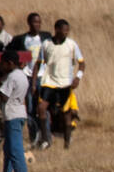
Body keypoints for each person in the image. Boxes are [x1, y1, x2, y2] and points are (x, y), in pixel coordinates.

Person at [36, 18, 85, 149]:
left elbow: (82, 63)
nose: (66, 33)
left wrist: (77, 78)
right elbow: (39, 63)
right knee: (41, 108)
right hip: (49, 83)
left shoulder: (71, 45)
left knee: (66, 114)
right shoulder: (46, 44)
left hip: (65, 84)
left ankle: (67, 144)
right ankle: (45, 139)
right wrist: (35, 81)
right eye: (64, 30)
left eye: (67, 31)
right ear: (57, 30)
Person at [6, 13, 47, 149]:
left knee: (43, 108)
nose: (37, 25)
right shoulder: (21, 39)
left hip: (43, 77)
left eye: (39, 22)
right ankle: (34, 138)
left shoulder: (46, 38)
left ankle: (45, 138)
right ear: (29, 23)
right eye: (35, 22)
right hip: (27, 76)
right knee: (29, 108)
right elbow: (9, 53)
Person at [0, 50, 29, 172]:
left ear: (10, 63)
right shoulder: (21, 75)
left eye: (3, 64)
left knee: (15, 149)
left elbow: (4, 96)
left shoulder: (12, 77)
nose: (2, 66)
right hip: (20, 113)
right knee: (9, 148)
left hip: (12, 115)